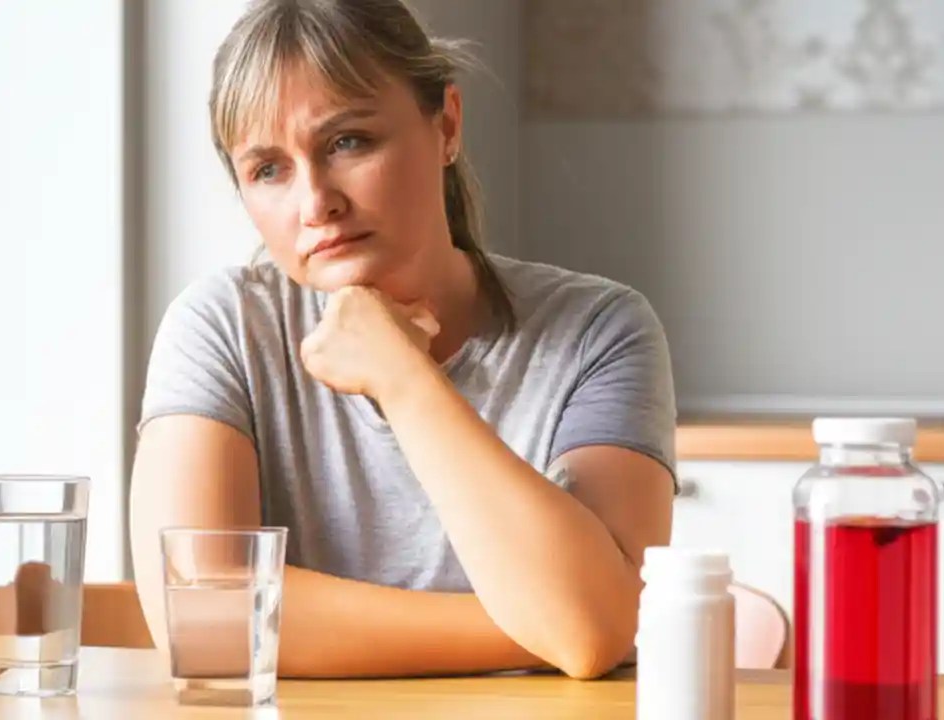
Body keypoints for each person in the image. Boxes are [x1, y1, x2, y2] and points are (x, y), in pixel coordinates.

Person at [130, 0, 676, 680]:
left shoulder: (600, 331)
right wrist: (542, 624)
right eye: (269, 170)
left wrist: (404, 380)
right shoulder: (221, 328)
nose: (315, 203)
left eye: (347, 142)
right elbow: (203, 623)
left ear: (446, 124)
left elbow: (593, 629)